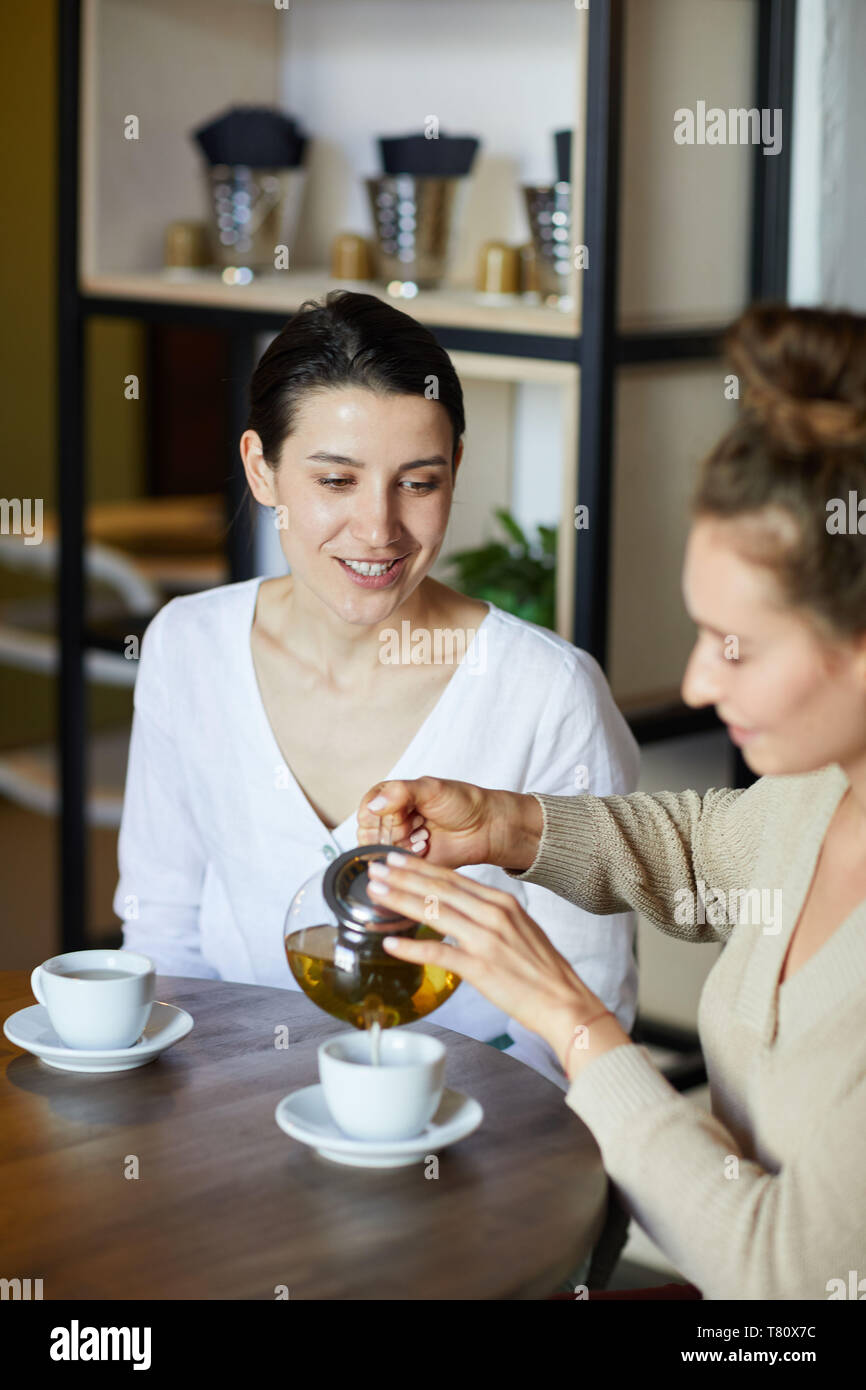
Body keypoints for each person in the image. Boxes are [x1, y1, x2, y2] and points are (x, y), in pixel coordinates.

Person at [356, 303, 866, 1300]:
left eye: (735, 644)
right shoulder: (820, 788)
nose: (694, 682)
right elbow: (712, 846)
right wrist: (504, 824)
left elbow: (783, 1278)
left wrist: (570, 1018)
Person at [114, 289, 639, 1089]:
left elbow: (582, 1006)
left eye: (417, 483)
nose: (378, 529)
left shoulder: (547, 693)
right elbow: (163, 933)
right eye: (336, 480)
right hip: (227, 1115)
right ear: (263, 470)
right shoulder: (188, 647)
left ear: (455, 470)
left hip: (467, 1139)